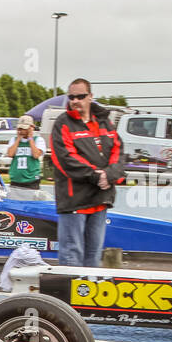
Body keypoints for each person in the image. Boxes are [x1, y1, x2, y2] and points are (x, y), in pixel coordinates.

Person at [50, 78, 125, 268]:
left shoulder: (104, 122)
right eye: (72, 97)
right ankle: (68, 296)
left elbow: (118, 152)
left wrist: (109, 175)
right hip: (74, 200)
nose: (75, 101)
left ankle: (88, 295)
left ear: (90, 97)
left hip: (100, 199)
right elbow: (65, 159)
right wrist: (97, 175)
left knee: (93, 257)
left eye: (80, 96)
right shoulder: (62, 123)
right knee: (71, 256)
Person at [5, 114, 45, 200]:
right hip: (16, 179)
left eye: (24, 128)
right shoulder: (14, 140)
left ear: (31, 128)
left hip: (31, 179)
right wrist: (18, 139)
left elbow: (36, 155)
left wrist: (30, 138)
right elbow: (10, 154)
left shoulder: (38, 140)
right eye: (20, 128)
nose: (22, 131)